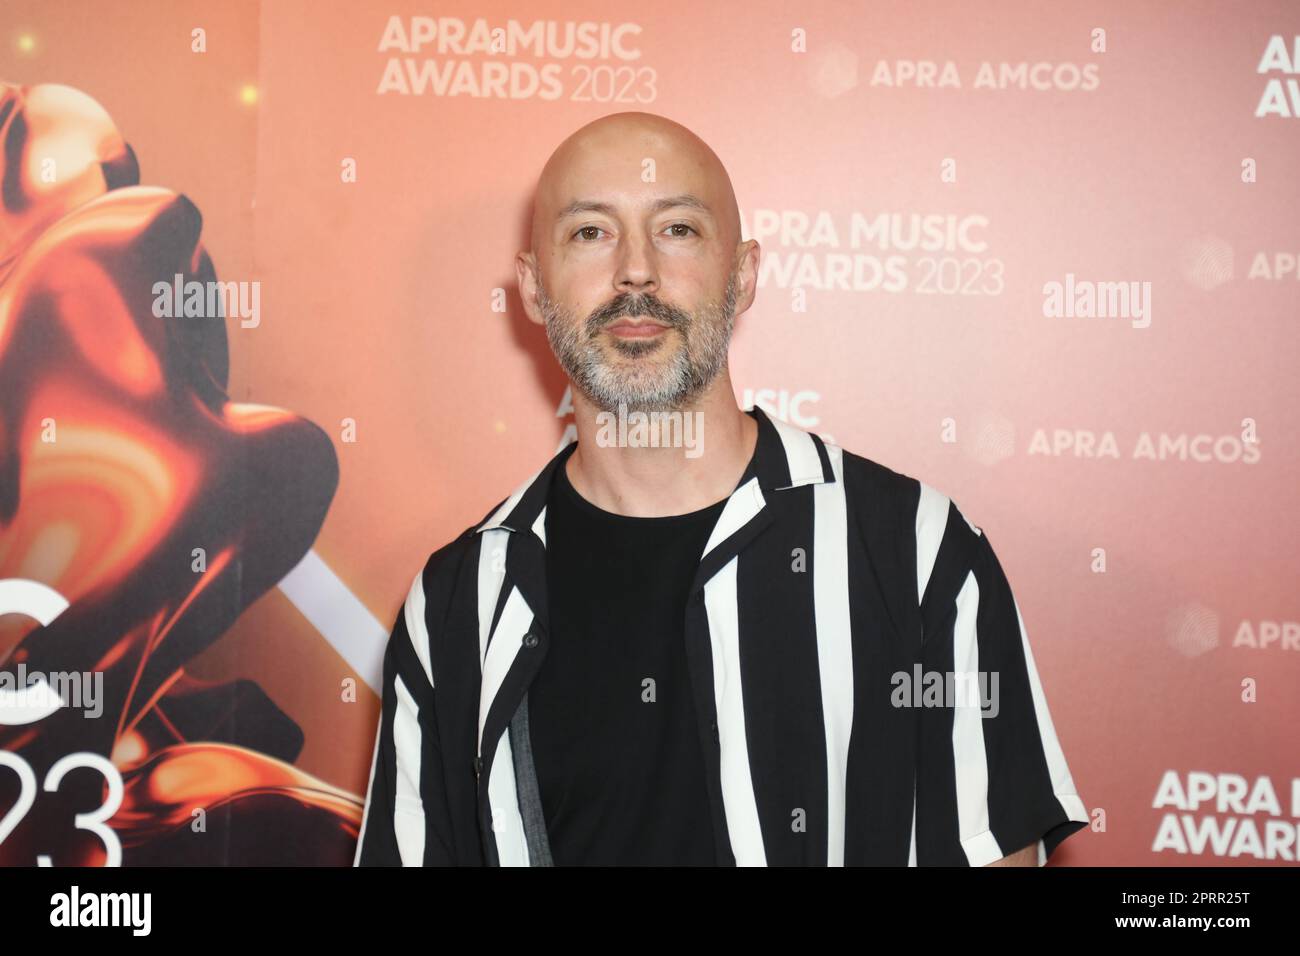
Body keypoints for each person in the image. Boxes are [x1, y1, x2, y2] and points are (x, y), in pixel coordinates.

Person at [353, 112, 1088, 867]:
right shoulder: (456, 603)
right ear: (536, 289)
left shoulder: (918, 554)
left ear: (742, 278)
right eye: (589, 233)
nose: (635, 271)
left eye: (676, 229)